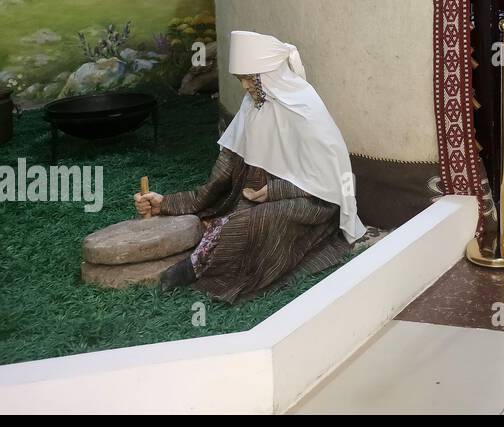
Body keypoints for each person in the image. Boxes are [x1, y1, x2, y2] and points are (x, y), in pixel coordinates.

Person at [134, 31, 365, 302]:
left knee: (253, 222)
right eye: (240, 79)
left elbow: (330, 182)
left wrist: (273, 191)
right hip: (256, 195)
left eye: (248, 78)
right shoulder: (252, 107)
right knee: (232, 217)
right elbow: (225, 171)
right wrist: (166, 203)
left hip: (310, 203)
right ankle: (201, 259)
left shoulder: (305, 110)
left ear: (268, 76)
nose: (244, 86)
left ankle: (192, 269)